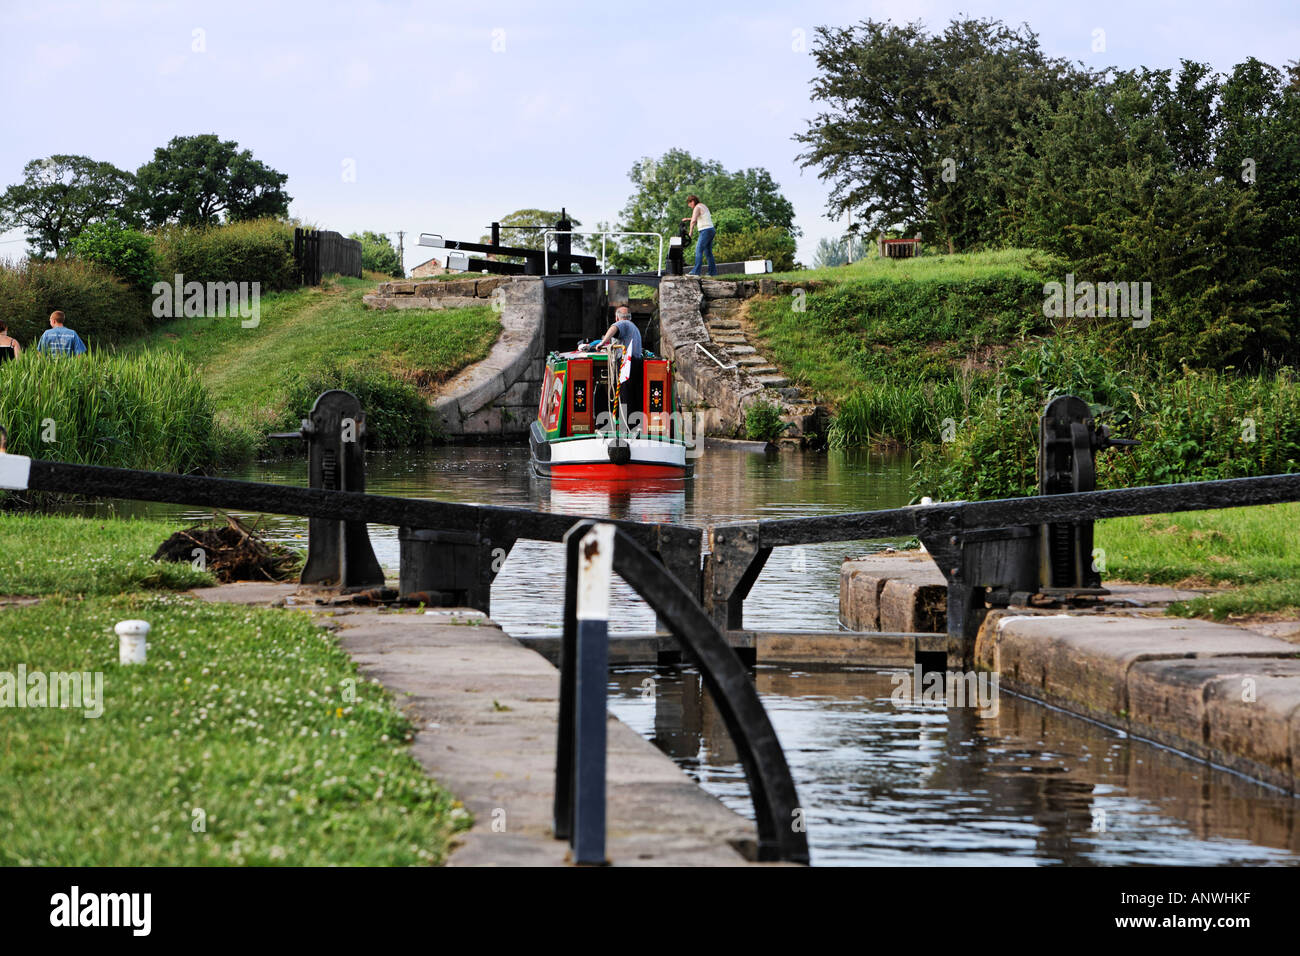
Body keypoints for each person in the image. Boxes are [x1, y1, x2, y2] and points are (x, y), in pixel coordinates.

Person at [682, 194, 716, 276]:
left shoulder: (697, 207)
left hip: (705, 231)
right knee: (708, 253)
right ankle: (712, 272)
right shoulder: (703, 206)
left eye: (690, 204)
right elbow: (698, 216)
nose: (690, 206)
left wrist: (690, 232)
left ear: (692, 202)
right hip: (711, 230)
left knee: (698, 250)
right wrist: (687, 219)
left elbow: (693, 220)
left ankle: (695, 272)